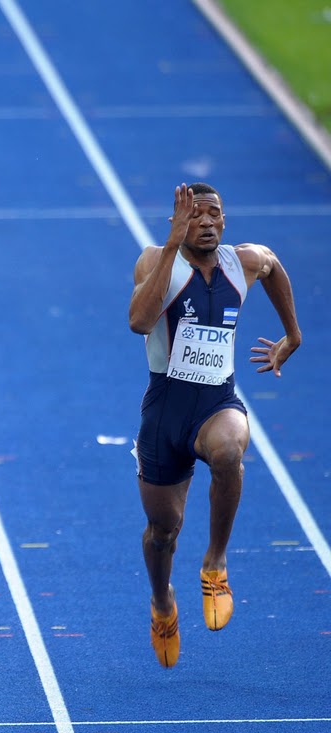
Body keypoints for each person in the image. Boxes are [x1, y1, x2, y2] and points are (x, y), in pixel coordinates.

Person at [128, 182, 301, 667]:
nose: (206, 222)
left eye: (214, 215)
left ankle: (216, 563)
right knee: (163, 529)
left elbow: (272, 265)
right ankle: (163, 601)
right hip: (164, 411)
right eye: (194, 216)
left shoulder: (240, 262)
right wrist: (169, 246)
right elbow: (139, 322)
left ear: (224, 221)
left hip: (216, 402)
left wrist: (292, 334)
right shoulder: (155, 259)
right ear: (177, 223)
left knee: (229, 452)